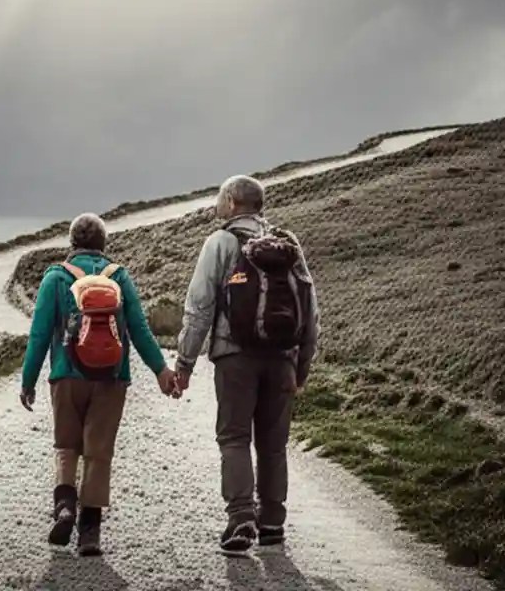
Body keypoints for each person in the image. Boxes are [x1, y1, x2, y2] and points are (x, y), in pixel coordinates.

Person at [173, 175, 319, 553]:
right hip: (282, 361)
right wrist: (301, 366)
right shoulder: (289, 246)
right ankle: (272, 524)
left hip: (235, 358)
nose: (217, 204)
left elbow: (199, 306)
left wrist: (184, 363)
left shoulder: (220, 243)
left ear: (234, 202)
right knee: (273, 444)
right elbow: (311, 309)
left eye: (221, 197)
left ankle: (240, 520)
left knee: (234, 437)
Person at [20, 212, 179, 556]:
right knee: (99, 452)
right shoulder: (119, 277)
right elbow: (139, 329)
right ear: (104, 244)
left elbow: (39, 334)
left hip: (66, 376)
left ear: (72, 243)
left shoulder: (55, 278)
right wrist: (161, 371)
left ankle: (64, 506)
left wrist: (28, 380)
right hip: (111, 378)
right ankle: (90, 532)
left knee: (66, 446)